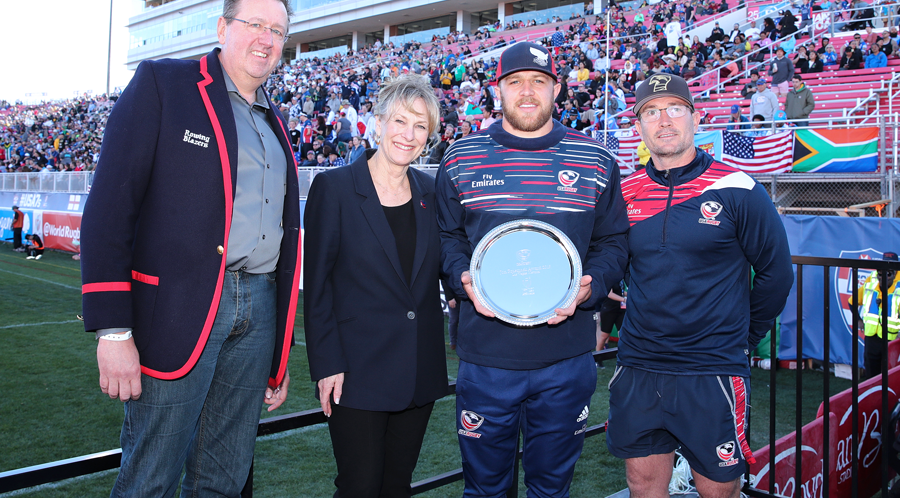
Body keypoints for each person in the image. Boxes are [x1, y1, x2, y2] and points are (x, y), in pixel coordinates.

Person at [80, 0, 302, 497]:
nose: (267, 39)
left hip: (260, 306)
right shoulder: (165, 83)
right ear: (223, 28)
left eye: (278, 31)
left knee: (224, 479)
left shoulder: (275, 119)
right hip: (181, 307)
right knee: (150, 477)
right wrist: (113, 331)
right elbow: (111, 207)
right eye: (255, 24)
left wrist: (280, 352)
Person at [436, 41, 629, 497]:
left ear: (557, 89)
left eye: (539, 81)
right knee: (484, 490)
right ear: (497, 90)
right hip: (486, 360)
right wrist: (464, 278)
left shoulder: (595, 159)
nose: (527, 91)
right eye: (515, 81)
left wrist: (591, 285)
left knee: (551, 489)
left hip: (565, 358)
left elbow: (614, 242)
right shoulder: (461, 157)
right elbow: (447, 237)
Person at [607, 73, 793, 498]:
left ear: (694, 117)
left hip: (711, 367)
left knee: (718, 490)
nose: (664, 120)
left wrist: (742, 336)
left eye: (674, 108)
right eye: (651, 112)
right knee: (642, 485)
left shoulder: (738, 187)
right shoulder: (625, 191)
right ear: (639, 126)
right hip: (639, 364)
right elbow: (613, 266)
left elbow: (776, 274)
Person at [304, 74, 448, 497]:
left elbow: (447, 266)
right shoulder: (335, 188)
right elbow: (317, 287)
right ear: (378, 122)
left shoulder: (431, 191)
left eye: (420, 126)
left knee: (396, 487)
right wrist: (326, 363)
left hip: (418, 370)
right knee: (359, 486)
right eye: (400, 121)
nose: (409, 135)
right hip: (356, 371)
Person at [854, 252, 900, 379]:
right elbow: (853, 301)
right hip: (871, 335)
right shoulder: (873, 278)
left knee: (891, 375)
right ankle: (872, 396)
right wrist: (858, 319)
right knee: (871, 375)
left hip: (892, 337)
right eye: (884, 262)